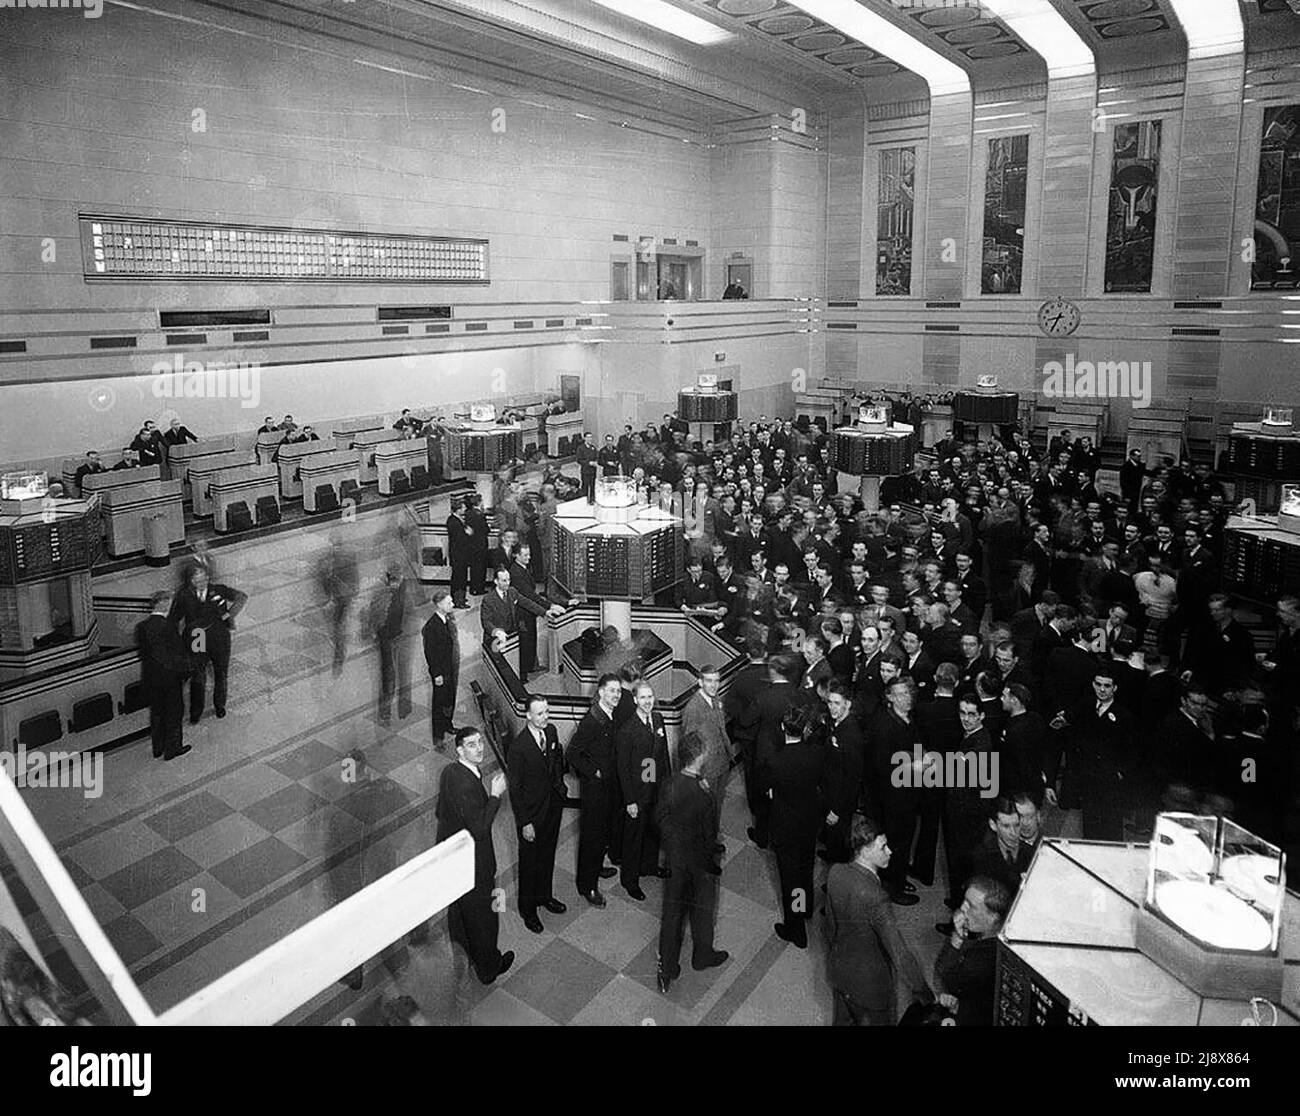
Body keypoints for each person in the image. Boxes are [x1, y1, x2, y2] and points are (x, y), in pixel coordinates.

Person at [824, 815, 933, 1026]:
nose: (890, 851)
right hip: (870, 988)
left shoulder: (835, 872)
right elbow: (898, 951)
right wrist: (923, 992)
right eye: (883, 847)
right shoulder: (876, 896)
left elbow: (830, 927)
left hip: (839, 972)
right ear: (865, 850)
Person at [435, 727, 515, 986]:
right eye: (471, 745)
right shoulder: (468, 784)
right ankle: (489, 967)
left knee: (460, 914)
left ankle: (464, 957)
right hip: (474, 865)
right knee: (484, 918)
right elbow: (480, 828)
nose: (479, 748)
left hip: (454, 860)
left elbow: (440, 812)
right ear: (459, 749)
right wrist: (494, 796)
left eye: (480, 742)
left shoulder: (450, 772)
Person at [654, 732, 729, 994]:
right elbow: (709, 835)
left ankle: (667, 970)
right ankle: (702, 955)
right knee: (702, 911)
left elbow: (660, 819)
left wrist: (674, 844)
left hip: (675, 861)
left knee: (672, 916)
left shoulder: (669, 783)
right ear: (698, 758)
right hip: (698, 863)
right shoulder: (704, 794)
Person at [507, 697, 568, 934]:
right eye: (540, 714)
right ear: (528, 716)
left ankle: (545, 896)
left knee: (547, 854)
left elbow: (554, 764)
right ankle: (528, 910)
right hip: (531, 815)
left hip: (552, 806)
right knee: (529, 863)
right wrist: (525, 823)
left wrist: (561, 789)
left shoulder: (550, 732)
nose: (546, 717)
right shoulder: (518, 748)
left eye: (547, 712)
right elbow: (515, 790)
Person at [769, 703, 825, 949]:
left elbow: (767, 789)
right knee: (806, 865)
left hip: (786, 824)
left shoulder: (776, 760)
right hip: (809, 819)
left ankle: (796, 928)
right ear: (804, 729)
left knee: (790, 876)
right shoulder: (816, 754)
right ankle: (806, 908)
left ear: (783, 728)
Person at [567, 674, 622, 906]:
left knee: (601, 832)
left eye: (618, 691)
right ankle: (587, 885)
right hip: (594, 790)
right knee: (591, 836)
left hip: (607, 787)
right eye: (611, 691)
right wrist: (594, 772)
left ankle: (597, 867)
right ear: (600, 692)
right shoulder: (592, 720)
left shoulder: (609, 714)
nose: (616, 695)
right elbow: (572, 754)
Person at [169, 564, 246, 724]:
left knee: (221, 674)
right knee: (198, 676)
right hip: (198, 637)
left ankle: (220, 705)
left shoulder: (218, 590)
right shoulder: (184, 595)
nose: (202, 581)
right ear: (191, 581)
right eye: (197, 579)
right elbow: (174, 619)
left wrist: (229, 615)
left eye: (204, 577)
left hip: (219, 636)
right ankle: (196, 712)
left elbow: (241, 597)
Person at [616, 681, 671, 900]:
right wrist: (630, 801)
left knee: (652, 831)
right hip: (637, 795)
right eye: (643, 698)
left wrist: (667, 787)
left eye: (651, 697)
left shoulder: (657, 719)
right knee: (633, 838)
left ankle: (649, 866)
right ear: (635, 700)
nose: (648, 701)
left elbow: (663, 755)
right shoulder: (627, 730)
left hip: (656, 789)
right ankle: (630, 880)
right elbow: (623, 769)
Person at [935, 876, 1011, 1027]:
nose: (963, 908)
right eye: (965, 901)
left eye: (971, 906)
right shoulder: (985, 933)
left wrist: (956, 939)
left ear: (992, 917)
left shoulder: (981, 961)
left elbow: (947, 976)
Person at [136, 589, 191, 761]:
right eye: (169, 601)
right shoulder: (168, 626)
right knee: (174, 713)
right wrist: (185, 673)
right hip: (170, 679)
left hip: (151, 678)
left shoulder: (142, 627)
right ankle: (172, 749)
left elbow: (143, 654)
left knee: (157, 713)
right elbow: (177, 653)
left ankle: (157, 748)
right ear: (162, 603)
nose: (171, 605)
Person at [682, 664, 731, 847]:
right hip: (707, 769)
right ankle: (705, 847)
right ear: (700, 682)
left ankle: (711, 837)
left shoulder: (716, 699)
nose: (714, 685)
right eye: (709, 681)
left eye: (716, 681)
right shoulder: (693, 708)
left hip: (721, 763)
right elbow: (689, 745)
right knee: (706, 810)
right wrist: (699, 775)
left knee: (716, 806)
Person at [821, 680, 864, 864]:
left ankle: (838, 869)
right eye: (830, 702)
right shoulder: (836, 722)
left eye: (837, 703)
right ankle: (831, 855)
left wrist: (837, 810)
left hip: (840, 798)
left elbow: (852, 778)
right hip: (831, 789)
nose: (832, 707)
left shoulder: (851, 734)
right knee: (832, 837)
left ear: (848, 704)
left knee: (840, 838)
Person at [368, 564, 411, 725]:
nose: (398, 583)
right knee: (388, 676)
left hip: (397, 634)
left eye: (399, 580)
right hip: (385, 637)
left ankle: (398, 708)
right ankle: (384, 712)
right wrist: (374, 631)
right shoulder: (383, 594)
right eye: (394, 580)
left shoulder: (401, 587)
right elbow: (375, 615)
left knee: (396, 673)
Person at [315, 531, 359, 676]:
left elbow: (350, 575)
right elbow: (354, 575)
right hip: (341, 596)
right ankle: (339, 649)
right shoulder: (342, 557)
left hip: (341, 596)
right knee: (337, 624)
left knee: (338, 625)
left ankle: (339, 654)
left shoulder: (335, 558)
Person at [421, 588, 459, 749]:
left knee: (449, 697)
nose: (453, 604)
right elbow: (430, 653)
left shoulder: (447, 619)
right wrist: (436, 674)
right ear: (439, 604)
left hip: (449, 668)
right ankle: (438, 738)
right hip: (440, 672)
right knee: (439, 704)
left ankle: (448, 724)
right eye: (449, 602)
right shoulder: (431, 627)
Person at [446, 497, 472, 608]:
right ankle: (458, 601)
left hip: (460, 555)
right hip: (458, 555)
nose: (465, 509)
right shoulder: (454, 522)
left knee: (460, 577)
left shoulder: (455, 519)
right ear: (458, 509)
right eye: (463, 507)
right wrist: (468, 533)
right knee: (459, 578)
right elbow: (459, 540)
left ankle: (459, 598)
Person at [465, 495, 490, 596]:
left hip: (472, 545)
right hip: (481, 545)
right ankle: (479, 588)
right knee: (480, 567)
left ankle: (473, 588)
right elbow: (486, 529)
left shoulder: (468, 513)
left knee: (474, 567)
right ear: (479, 502)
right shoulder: (480, 515)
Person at [576, 431, 598, 502]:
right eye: (588, 437)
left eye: (591, 437)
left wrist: (596, 462)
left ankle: (592, 499)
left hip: (593, 471)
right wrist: (589, 463)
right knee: (585, 486)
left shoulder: (593, 448)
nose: (590, 439)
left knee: (592, 486)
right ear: (584, 438)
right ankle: (584, 500)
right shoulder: (581, 448)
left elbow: (596, 457)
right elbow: (579, 460)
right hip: (585, 471)